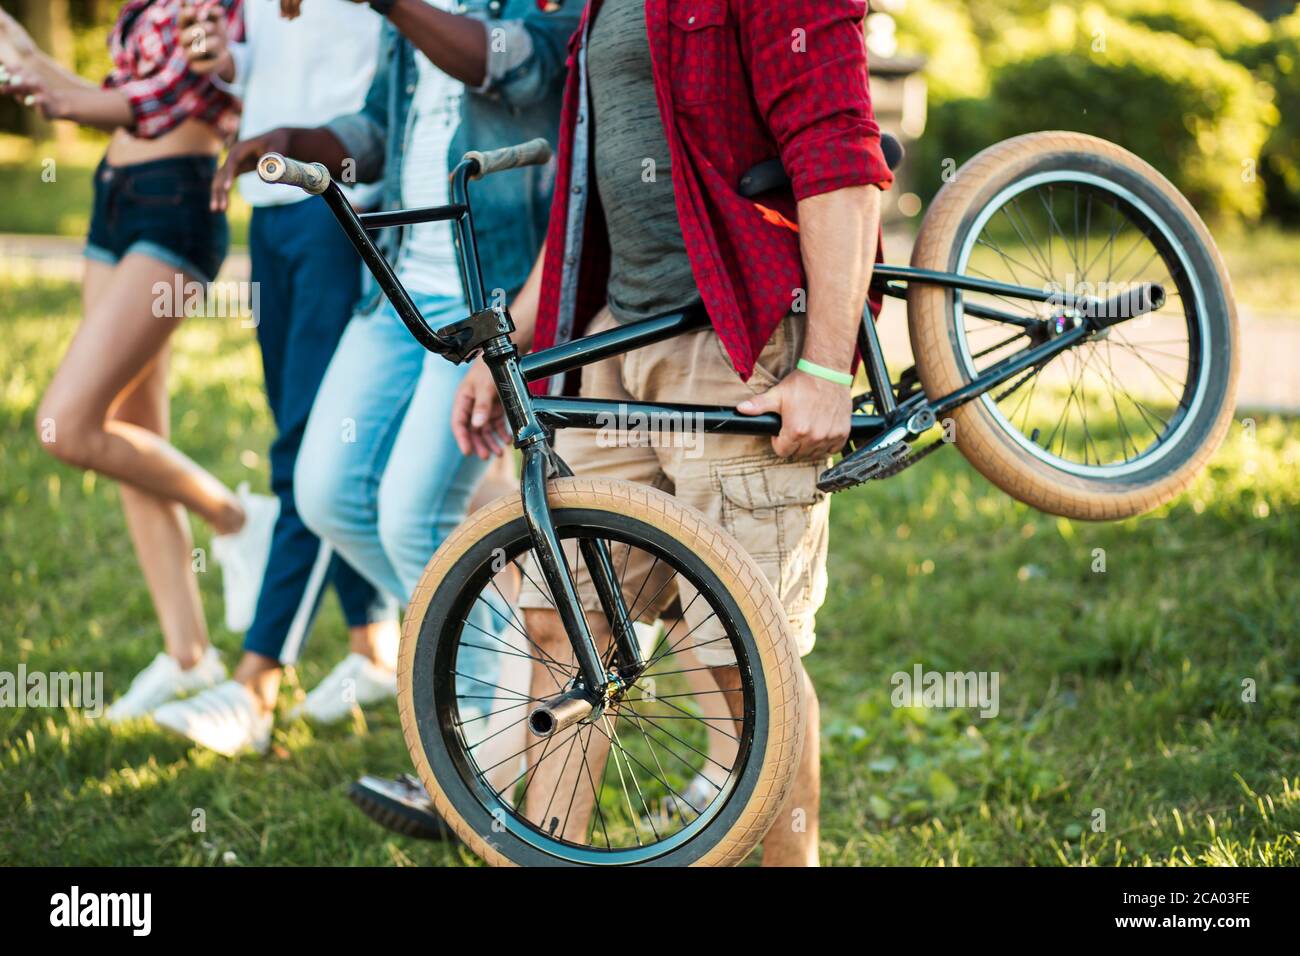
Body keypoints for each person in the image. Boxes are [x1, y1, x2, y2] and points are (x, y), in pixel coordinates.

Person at [450, 0, 892, 866]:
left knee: (742, 663)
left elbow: (838, 152)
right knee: (560, 627)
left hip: (739, 337)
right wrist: (510, 349)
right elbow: (586, 196)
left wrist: (830, 369)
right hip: (621, 343)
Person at [150, 0, 580, 761]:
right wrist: (291, 142)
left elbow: (511, 63)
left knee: (410, 515)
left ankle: (490, 734)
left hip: (490, 291)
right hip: (399, 291)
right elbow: (378, 133)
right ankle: (511, 651)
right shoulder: (409, 15)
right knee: (325, 493)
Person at [0, 1, 281, 721]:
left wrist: (56, 94)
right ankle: (187, 656)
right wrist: (35, 63)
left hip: (174, 202)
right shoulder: (141, 7)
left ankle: (235, 518)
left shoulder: (213, 9)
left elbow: (152, 103)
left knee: (66, 425)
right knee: (129, 436)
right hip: (112, 199)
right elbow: (115, 101)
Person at [148, 0, 406, 756]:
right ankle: (372, 651)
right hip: (269, 204)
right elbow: (275, 60)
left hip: (340, 205)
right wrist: (225, 57)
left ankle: (256, 688)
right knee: (300, 428)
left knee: (309, 443)